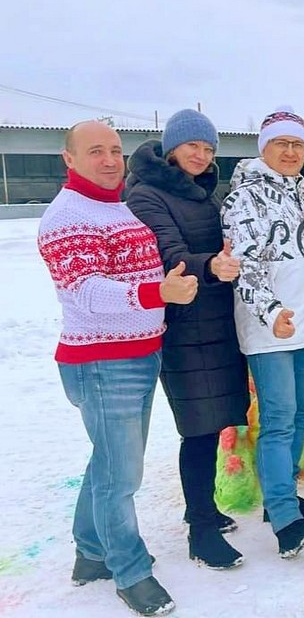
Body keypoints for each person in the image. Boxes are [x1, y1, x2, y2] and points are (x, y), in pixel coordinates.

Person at [38, 120, 197, 616]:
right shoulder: (66, 217)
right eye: (95, 152)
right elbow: (85, 292)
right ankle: (130, 572)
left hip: (139, 352)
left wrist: (165, 287)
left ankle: (89, 553)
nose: (110, 160)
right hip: (102, 361)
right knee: (120, 475)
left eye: (115, 150)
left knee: (108, 463)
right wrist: (155, 293)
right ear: (69, 159)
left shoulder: (117, 207)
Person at [125, 109, 250, 570]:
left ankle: (206, 507)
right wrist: (211, 266)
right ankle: (200, 531)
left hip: (218, 323)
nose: (201, 155)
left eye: (209, 148)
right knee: (197, 428)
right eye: (193, 146)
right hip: (182, 329)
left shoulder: (204, 194)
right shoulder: (147, 195)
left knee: (216, 423)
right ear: (171, 147)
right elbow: (168, 255)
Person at [220, 111, 304, 558]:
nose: (291, 152)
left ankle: (283, 495)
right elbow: (243, 269)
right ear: (263, 147)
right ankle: (285, 519)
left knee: (302, 413)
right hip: (270, 329)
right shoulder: (243, 199)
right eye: (281, 143)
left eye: (298, 145)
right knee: (279, 419)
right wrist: (271, 312)